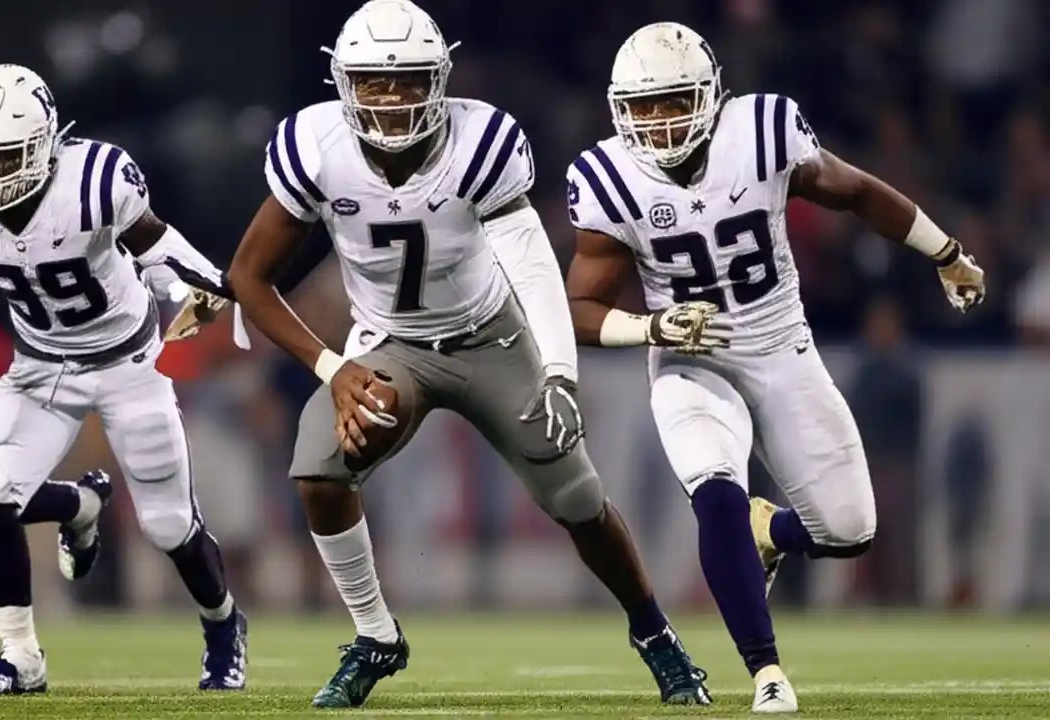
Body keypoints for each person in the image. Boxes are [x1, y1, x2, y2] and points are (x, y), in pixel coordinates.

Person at [227, 1, 710, 709]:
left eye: (409, 80)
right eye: (372, 82)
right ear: (343, 82)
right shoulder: (314, 146)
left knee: (577, 496)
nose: (390, 98)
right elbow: (248, 277)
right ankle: (374, 635)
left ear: (441, 79)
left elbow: (535, 266)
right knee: (319, 468)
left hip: (493, 335)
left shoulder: (478, 141)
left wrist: (557, 373)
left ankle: (656, 636)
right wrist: (332, 368)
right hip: (390, 342)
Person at [563, 22, 986, 713]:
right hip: (688, 360)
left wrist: (946, 252)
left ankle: (772, 530)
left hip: (781, 347)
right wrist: (650, 327)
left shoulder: (761, 130)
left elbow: (852, 191)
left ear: (709, 94)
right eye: (643, 106)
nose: (659, 121)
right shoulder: (609, 178)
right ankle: (767, 673)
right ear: (619, 109)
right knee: (715, 488)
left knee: (849, 531)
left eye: (674, 101)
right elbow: (577, 305)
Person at [0, 64, 247, 696]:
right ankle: (22, 656)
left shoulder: (95, 179)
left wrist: (202, 285)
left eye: (2, 157)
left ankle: (224, 626)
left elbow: (155, 242)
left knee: (167, 524)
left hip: (128, 362)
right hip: (38, 367)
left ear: (43, 145)